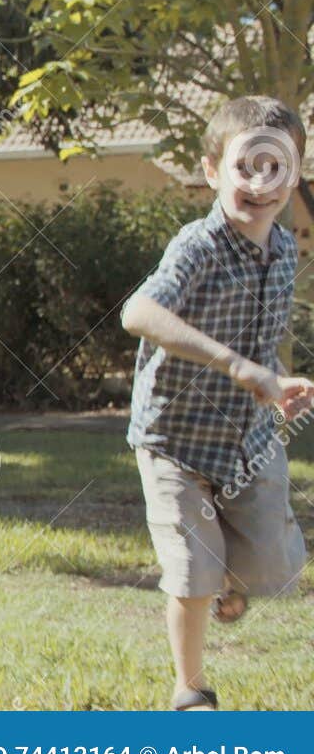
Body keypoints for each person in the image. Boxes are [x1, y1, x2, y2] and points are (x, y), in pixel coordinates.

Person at [121, 96, 314, 711]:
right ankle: (190, 690)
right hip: (175, 437)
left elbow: (258, 338)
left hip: (248, 441)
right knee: (190, 569)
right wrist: (232, 364)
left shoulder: (284, 251)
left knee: (275, 569)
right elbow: (138, 312)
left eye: (275, 167)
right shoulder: (197, 246)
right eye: (243, 167)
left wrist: (275, 380)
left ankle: (232, 581)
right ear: (211, 171)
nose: (259, 183)